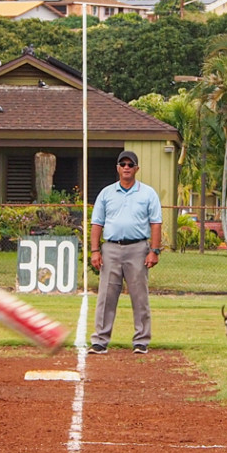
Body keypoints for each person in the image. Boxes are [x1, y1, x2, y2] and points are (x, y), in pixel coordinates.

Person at [88, 149, 162, 355]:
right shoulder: (106, 193)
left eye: (130, 165)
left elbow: (156, 223)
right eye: (123, 164)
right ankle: (100, 340)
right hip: (111, 248)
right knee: (106, 296)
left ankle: (141, 341)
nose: (126, 168)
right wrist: (95, 251)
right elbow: (97, 223)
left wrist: (154, 250)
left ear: (137, 168)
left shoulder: (148, 193)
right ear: (118, 168)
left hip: (138, 249)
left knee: (139, 296)